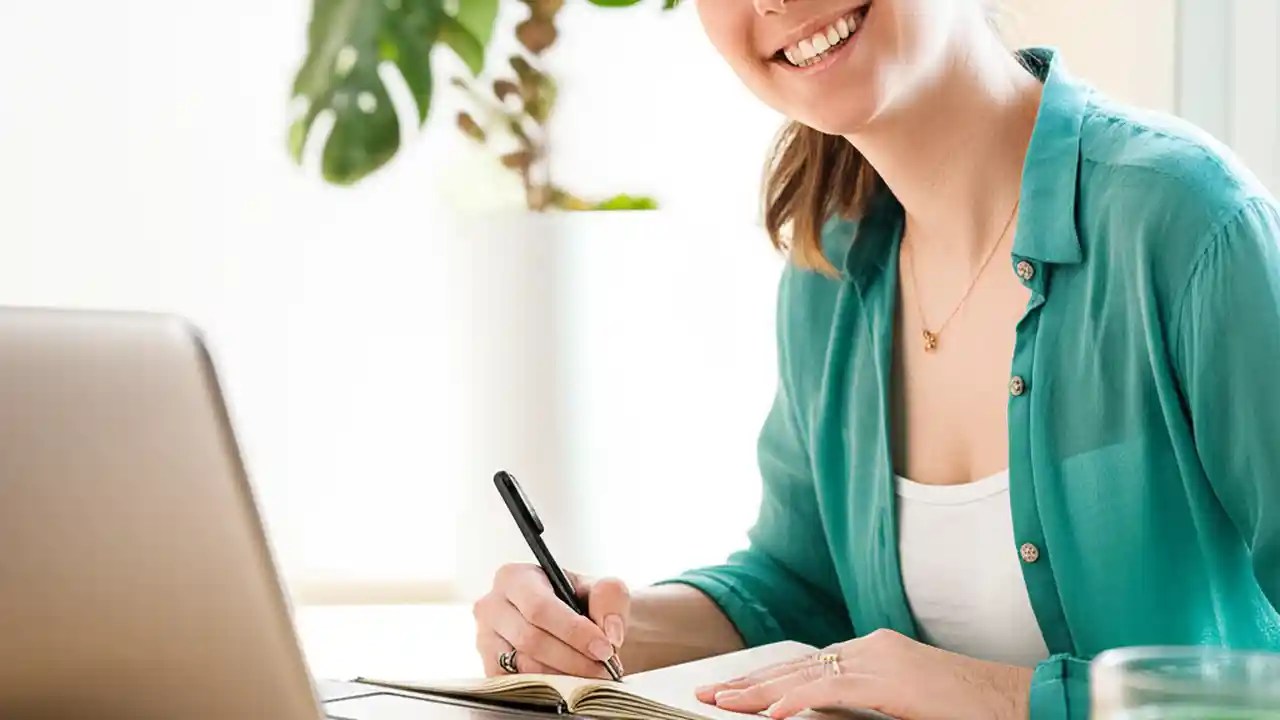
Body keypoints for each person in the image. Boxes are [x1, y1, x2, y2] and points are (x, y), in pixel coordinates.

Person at [472, 0, 1280, 717]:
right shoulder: (829, 260)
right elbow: (802, 589)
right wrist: (604, 628)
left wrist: (1002, 698)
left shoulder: (1188, 225)